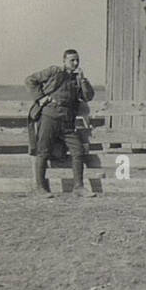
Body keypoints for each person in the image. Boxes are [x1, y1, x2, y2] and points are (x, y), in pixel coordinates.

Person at [26, 50, 95, 198]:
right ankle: (40, 188)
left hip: (67, 122)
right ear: (64, 61)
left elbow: (88, 96)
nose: (75, 63)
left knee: (78, 150)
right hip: (49, 117)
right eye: (72, 60)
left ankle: (78, 187)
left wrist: (83, 80)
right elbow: (30, 80)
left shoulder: (77, 79)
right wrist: (40, 98)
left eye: (77, 60)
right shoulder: (54, 71)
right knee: (42, 151)